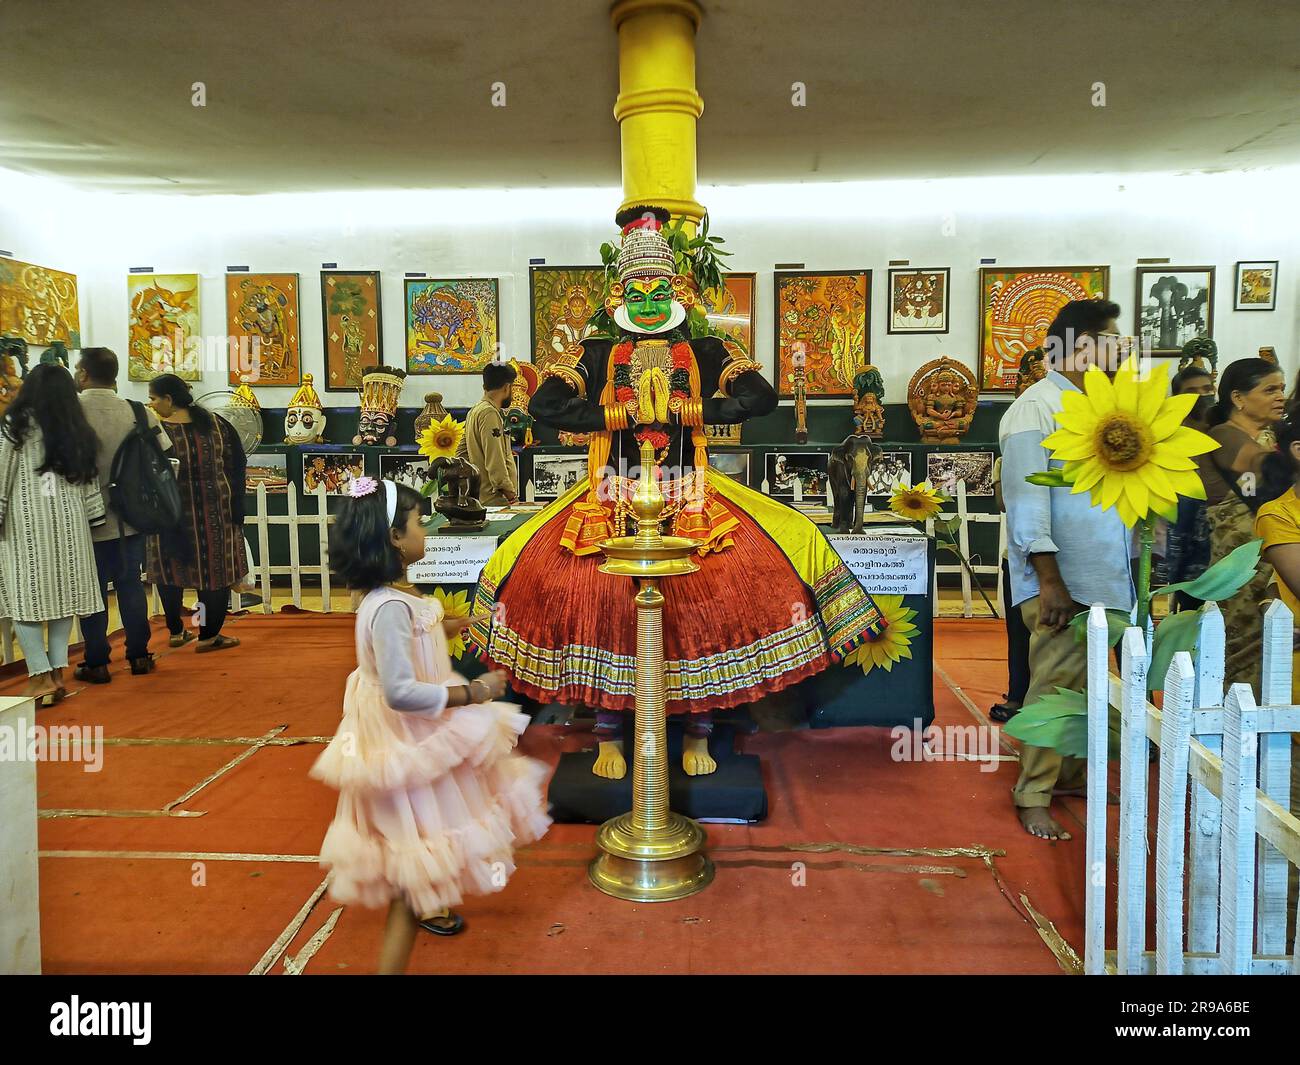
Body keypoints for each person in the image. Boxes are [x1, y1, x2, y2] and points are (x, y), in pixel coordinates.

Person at [469, 206, 887, 780]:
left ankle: (699, 729)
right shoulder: (596, 353)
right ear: (620, 297)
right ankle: (609, 734)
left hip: (692, 498)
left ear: (679, 292)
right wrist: (616, 414)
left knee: (707, 607)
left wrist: (698, 409)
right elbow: (544, 407)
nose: (646, 304)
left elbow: (761, 398)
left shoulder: (708, 351)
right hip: (608, 500)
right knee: (598, 606)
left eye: (657, 291)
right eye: (636, 294)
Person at [310, 476, 550, 973]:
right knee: (412, 868)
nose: (426, 532)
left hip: (415, 736)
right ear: (395, 538)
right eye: (419, 524)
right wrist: (472, 693)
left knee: (423, 837)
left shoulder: (397, 598)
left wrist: (445, 626)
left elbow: (410, 634)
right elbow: (402, 691)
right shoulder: (391, 607)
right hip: (409, 736)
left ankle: (426, 891)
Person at [1000, 299, 1135, 841]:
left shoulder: (1100, 409)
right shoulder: (1035, 409)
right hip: (1061, 581)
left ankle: (1070, 776)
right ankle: (1032, 793)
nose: (1122, 350)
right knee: (1054, 687)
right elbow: (1027, 502)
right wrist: (1049, 580)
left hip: (1105, 574)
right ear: (1080, 346)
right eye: (1112, 339)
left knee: (1091, 689)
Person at [0, 363, 107, 703]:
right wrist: (93, 517)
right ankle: (58, 672)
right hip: (69, 521)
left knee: (23, 599)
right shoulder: (76, 426)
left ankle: (39, 675)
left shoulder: (15, 425)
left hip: (25, 523)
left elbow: (2, 474)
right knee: (64, 597)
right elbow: (89, 478)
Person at [74, 347, 171, 681]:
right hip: (132, 514)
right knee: (130, 584)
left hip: (85, 516)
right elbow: (165, 454)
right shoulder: (137, 412)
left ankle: (97, 660)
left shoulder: (69, 412)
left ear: (84, 373)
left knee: (94, 589)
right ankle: (139, 655)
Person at [1198, 358, 1287, 690]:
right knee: (1240, 646)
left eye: (1282, 388)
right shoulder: (1224, 435)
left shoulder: (1272, 436)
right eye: (1270, 390)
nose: (1280, 396)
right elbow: (1261, 468)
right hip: (1239, 559)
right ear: (1238, 398)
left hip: (1272, 554)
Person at [145, 374, 247, 652]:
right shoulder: (217, 425)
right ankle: (209, 635)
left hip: (169, 512)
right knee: (214, 572)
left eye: (154, 398)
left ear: (168, 399)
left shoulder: (155, 431)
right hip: (215, 510)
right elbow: (236, 464)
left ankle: (177, 631)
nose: (151, 403)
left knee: (169, 570)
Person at [1159, 365, 1216, 612]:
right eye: (1192, 392)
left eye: (1207, 390)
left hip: (1215, 541)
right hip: (1179, 532)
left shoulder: (1223, 435)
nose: (1201, 397)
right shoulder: (1168, 438)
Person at [988, 455, 1029, 723]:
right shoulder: (1006, 460)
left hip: (1071, 560)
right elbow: (1003, 504)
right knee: (1018, 633)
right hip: (1017, 557)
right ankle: (1018, 695)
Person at [456, 361, 519, 506]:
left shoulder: (474, 411)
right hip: (495, 501)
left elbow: (461, 454)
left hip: (480, 499)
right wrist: (511, 496)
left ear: (485, 386)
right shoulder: (489, 413)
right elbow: (495, 459)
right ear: (507, 387)